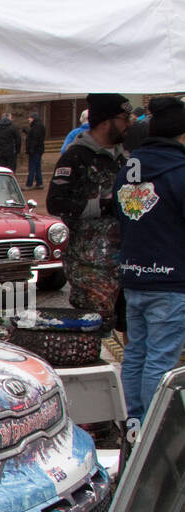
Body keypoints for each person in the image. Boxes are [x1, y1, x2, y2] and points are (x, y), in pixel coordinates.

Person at [114, 96, 185, 421]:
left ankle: (133, 421)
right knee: (159, 360)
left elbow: (122, 214)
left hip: (134, 274)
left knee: (136, 356)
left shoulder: (129, 168)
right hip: (169, 279)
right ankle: (150, 430)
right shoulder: (179, 170)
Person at [47, 93, 133, 326]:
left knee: (129, 325)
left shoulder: (125, 156)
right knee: (94, 328)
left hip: (124, 260)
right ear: (106, 121)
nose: (129, 123)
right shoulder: (76, 156)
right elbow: (56, 202)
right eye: (124, 118)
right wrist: (103, 205)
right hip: (89, 264)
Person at [24, 112, 47, 188]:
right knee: (37, 167)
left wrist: (31, 148)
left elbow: (35, 138)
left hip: (35, 150)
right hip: (38, 149)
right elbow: (35, 136)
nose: (29, 119)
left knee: (32, 167)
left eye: (30, 118)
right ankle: (39, 182)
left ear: (33, 118)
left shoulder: (36, 127)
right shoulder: (38, 126)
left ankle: (29, 184)